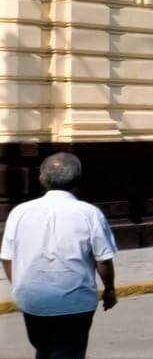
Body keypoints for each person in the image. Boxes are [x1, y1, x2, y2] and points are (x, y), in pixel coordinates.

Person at [2, 152, 116, 359]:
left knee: (43, 349)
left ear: (41, 179)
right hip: (75, 302)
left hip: (32, 301)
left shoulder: (19, 212)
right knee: (68, 351)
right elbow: (103, 261)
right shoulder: (90, 213)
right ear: (78, 181)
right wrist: (109, 289)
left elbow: (7, 258)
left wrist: (22, 286)